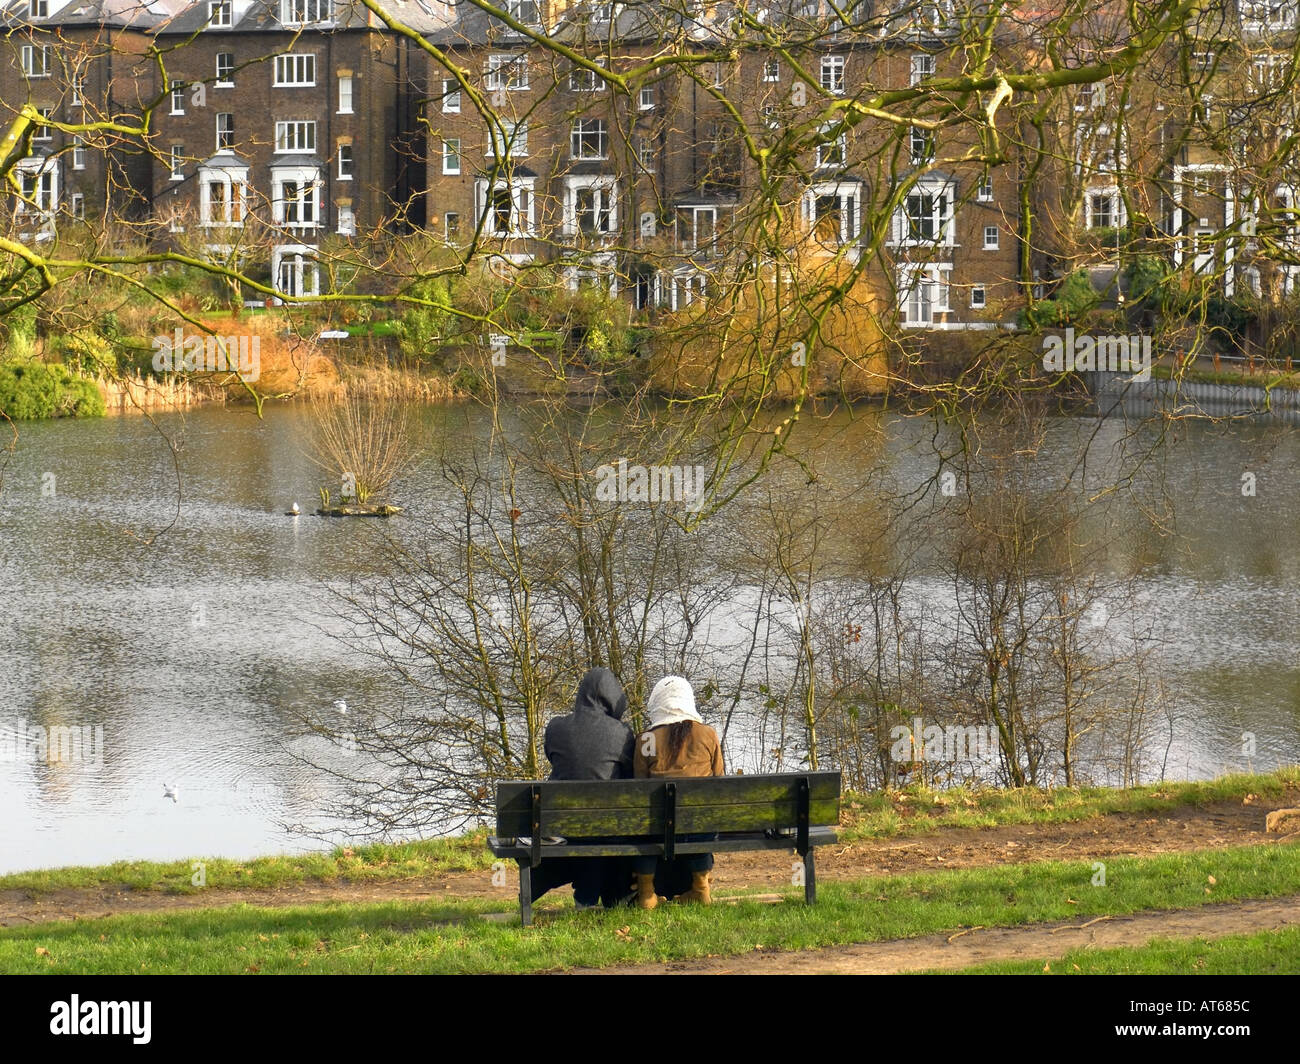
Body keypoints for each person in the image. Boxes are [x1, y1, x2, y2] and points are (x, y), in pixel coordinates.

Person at [530, 667, 636, 909]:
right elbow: (630, 775)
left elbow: (555, 760)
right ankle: (612, 896)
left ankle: (585, 898)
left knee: (586, 824)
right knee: (608, 823)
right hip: (610, 828)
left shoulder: (556, 728)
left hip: (564, 827)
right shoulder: (622, 733)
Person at [633, 675, 725, 908]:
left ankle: (646, 893)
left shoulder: (647, 739)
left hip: (656, 828)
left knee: (643, 822)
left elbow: (639, 787)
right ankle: (701, 889)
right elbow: (719, 780)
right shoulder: (708, 734)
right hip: (699, 826)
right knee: (700, 817)